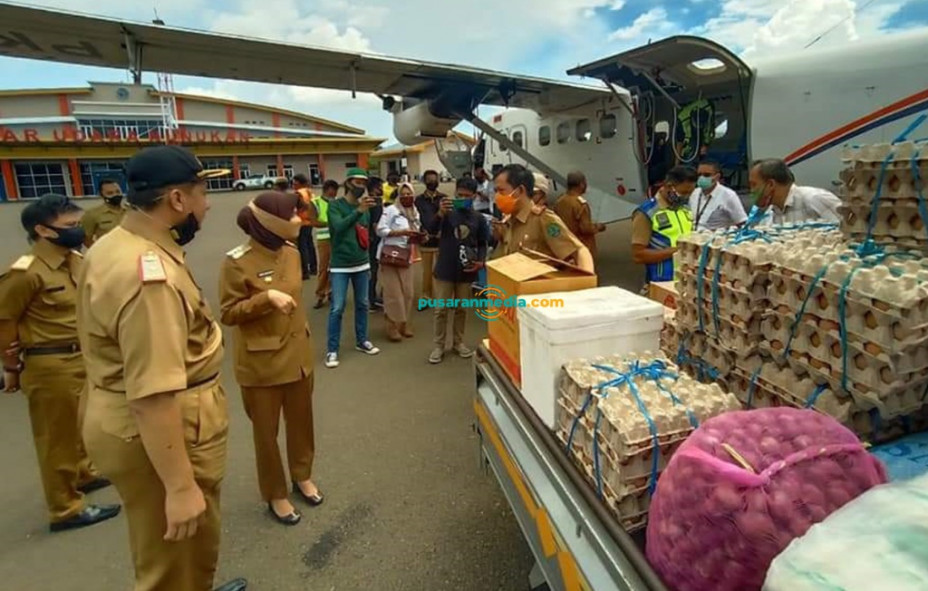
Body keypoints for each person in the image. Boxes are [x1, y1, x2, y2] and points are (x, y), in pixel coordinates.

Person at [77, 145, 246, 591]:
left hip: (126, 418)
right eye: (202, 192)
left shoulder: (115, 244)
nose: (208, 204)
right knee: (173, 559)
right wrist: (180, 487)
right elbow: (152, 394)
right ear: (176, 199)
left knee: (180, 552)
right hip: (164, 430)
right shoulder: (148, 278)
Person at [0, 194, 120, 533]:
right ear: (43, 230)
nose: (77, 229)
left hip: (81, 357)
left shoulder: (75, 260)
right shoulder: (25, 273)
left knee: (80, 427)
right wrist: (11, 368)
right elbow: (5, 322)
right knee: (57, 439)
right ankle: (65, 508)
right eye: (69, 225)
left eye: (78, 223)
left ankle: (82, 474)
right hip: (50, 364)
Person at [219, 192, 323, 528]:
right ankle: (275, 493)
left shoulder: (291, 253)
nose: (298, 219)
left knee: (302, 424)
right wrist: (265, 299)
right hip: (261, 364)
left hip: (298, 356)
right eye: (291, 214)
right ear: (270, 222)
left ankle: (302, 475)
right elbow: (228, 313)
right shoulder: (237, 262)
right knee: (266, 435)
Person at [427, 178, 488, 364]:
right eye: (459, 195)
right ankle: (439, 345)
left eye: (466, 196)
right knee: (441, 309)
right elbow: (430, 230)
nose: (462, 199)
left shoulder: (478, 218)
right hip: (445, 269)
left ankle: (458, 343)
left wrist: (481, 261)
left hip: (466, 270)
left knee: (462, 309)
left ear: (474, 196)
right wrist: (439, 214)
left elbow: (483, 243)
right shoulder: (447, 213)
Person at [325, 167, 381, 369]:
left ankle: (362, 340)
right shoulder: (335, 206)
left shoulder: (364, 208)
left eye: (364, 183)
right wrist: (358, 211)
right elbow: (339, 227)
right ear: (348, 183)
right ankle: (332, 349)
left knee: (363, 304)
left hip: (362, 263)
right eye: (358, 182)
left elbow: (365, 234)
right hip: (340, 265)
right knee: (337, 308)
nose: (361, 186)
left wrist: (362, 211)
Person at [492, 164, 594, 272]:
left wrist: (588, 278)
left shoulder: (543, 219)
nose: (497, 196)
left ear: (520, 190)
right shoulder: (509, 222)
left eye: (501, 191)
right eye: (496, 191)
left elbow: (579, 251)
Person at [631, 165, 695, 287]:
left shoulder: (685, 209)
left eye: (690, 193)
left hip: (688, 281)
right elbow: (638, 255)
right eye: (684, 193)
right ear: (669, 186)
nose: (687, 197)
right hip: (663, 282)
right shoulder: (647, 213)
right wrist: (678, 250)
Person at [375, 182, 421, 342]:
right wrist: (399, 232)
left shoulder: (415, 212)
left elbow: (416, 230)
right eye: (404, 194)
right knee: (393, 293)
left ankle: (404, 323)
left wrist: (420, 236)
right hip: (390, 256)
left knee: (408, 293)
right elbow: (380, 230)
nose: (407, 197)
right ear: (399, 196)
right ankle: (392, 326)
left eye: (409, 194)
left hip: (407, 256)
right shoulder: (391, 210)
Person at [749, 158, 842, 224]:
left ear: (771, 184)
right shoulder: (770, 214)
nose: (751, 191)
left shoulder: (815, 199)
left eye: (754, 185)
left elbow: (847, 230)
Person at [553, 171, 607, 258]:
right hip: (581, 248)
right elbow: (585, 229)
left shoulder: (559, 202)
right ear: (581, 185)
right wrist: (598, 227)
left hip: (565, 248)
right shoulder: (580, 204)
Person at [414, 169, 447, 301]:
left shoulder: (444, 198)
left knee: (441, 271)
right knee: (426, 273)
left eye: (435, 180)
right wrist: (422, 231)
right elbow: (416, 218)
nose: (433, 182)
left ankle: (441, 297)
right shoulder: (418, 200)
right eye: (430, 180)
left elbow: (448, 217)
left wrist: (443, 231)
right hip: (426, 240)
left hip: (441, 240)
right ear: (424, 181)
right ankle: (426, 297)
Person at [690, 160, 747, 231]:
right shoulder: (694, 193)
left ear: (717, 177)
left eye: (707, 175)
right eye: (699, 175)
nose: (701, 178)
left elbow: (742, 222)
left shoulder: (728, 195)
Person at [307, 180, 337, 309]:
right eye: (334, 190)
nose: (335, 193)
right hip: (324, 240)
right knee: (324, 269)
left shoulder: (336, 202)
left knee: (334, 268)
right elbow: (314, 222)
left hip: (337, 239)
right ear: (328, 189)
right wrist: (331, 223)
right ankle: (320, 295)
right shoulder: (315, 202)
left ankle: (330, 291)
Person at [82, 177, 126, 247]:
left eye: (118, 192)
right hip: (109, 251)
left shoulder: (131, 211)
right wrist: (99, 251)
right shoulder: (92, 214)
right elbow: (86, 239)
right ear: (102, 195)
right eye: (110, 193)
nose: (115, 195)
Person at [293, 173, 317, 280]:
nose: (293, 185)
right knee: (310, 245)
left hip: (302, 222)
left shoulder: (299, 193)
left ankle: (305, 272)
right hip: (310, 221)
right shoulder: (310, 192)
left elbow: (299, 207)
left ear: (300, 183)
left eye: (295, 183)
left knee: (302, 247)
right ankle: (313, 268)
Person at [367, 177, 386, 311]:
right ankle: (372, 300)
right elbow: (376, 225)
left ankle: (371, 298)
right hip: (375, 242)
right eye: (380, 186)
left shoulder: (367, 201)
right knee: (374, 271)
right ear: (375, 188)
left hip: (368, 241)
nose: (382, 189)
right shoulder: (376, 204)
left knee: (372, 271)